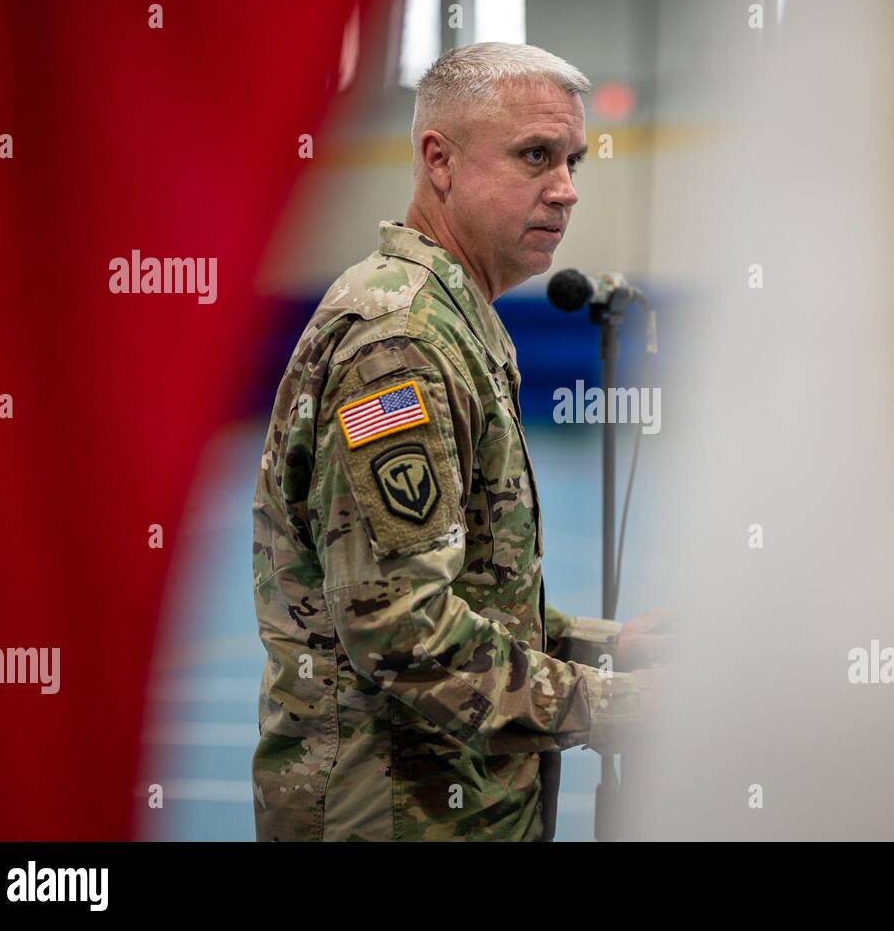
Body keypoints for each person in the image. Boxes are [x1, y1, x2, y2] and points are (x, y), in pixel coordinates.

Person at [250, 42, 668, 841]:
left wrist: (611, 645)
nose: (567, 190)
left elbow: (474, 599)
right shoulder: (399, 340)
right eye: (535, 156)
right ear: (438, 160)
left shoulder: (450, 317)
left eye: (573, 159)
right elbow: (407, 636)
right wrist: (629, 709)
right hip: (395, 815)